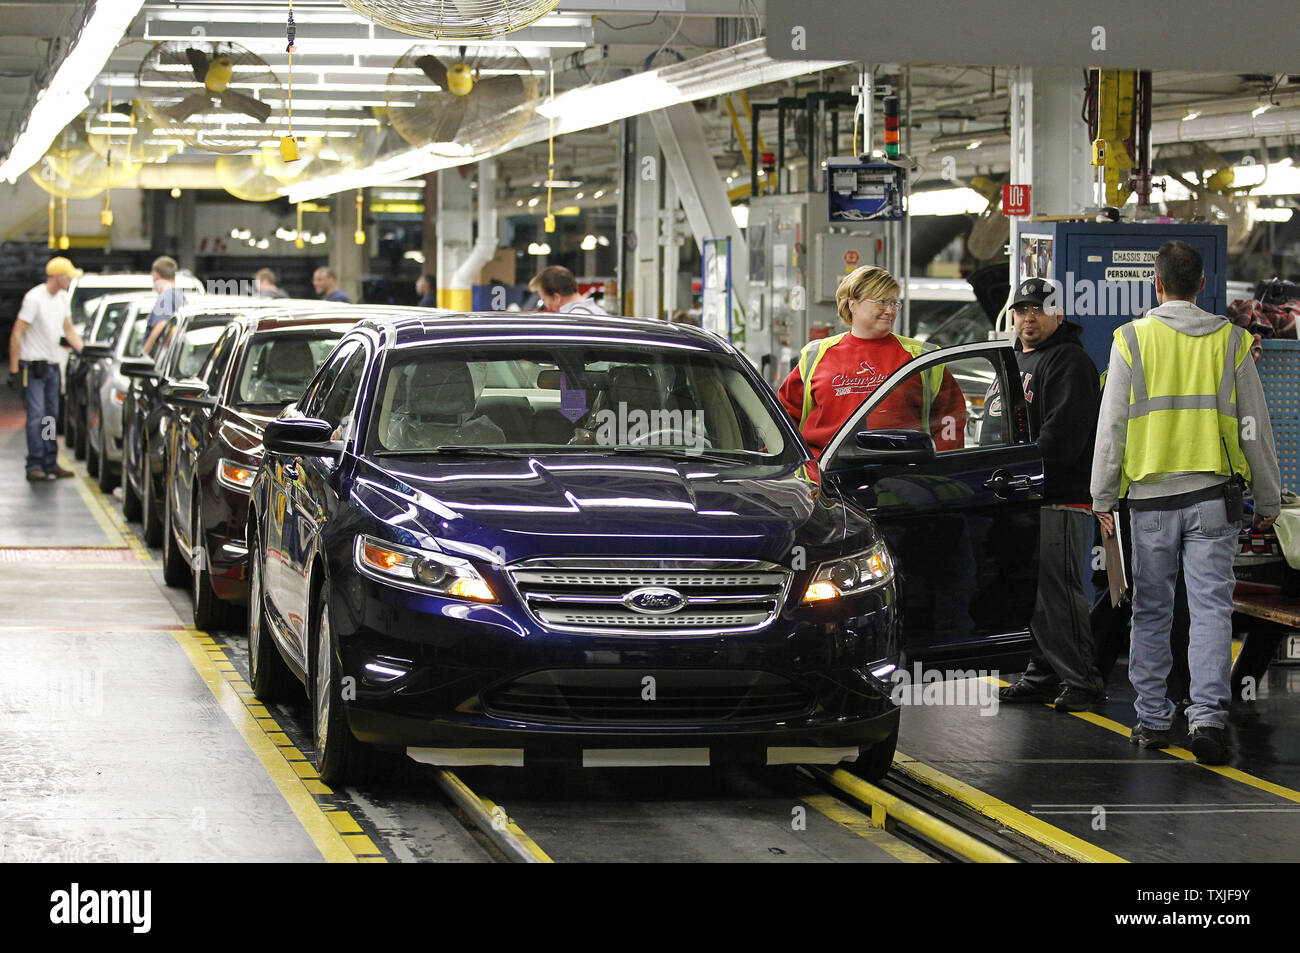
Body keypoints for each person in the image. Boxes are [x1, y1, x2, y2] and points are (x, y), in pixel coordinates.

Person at [1092, 240, 1281, 765]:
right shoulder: (1232, 341)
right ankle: (1207, 721)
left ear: (1156, 284)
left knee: (1151, 611)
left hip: (1149, 502)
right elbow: (1254, 429)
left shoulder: (1130, 340)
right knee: (1211, 611)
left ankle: (1152, 719)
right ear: (1202, 284)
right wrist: (1267, 494)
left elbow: (1112, 428)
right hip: (1213, 501)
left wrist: (1103, 495)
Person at [994, 277, 1107, 711]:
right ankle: (1042, 673)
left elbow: (1061, 440)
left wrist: (1015, 472)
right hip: (1025, 498)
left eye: (1038, 310)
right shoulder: (1017, 360)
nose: (1028, 318)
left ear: (1059, 314)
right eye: (1021, 310)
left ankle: (1084, 680)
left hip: (1060, 498)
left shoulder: (1069, 362)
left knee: (1059, 594)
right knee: (1035, 596)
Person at [777, 265, 965, 460]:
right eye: (881, 302)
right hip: (825, 474)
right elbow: (784, 416)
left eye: (894, 303)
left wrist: (941, 471)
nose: (890, 310)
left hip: (901, 474)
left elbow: (950, 418)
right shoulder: (816, 354)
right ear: (852, 304)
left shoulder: (922, 356)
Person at [7, 257, 85, 481]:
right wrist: (14, 370)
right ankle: (35, 464)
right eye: (68, 277)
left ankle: (50, 462)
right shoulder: (34, 299)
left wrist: (85, 351)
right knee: (36, 416)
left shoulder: (62, 298)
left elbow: (68, 330)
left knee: (50, 417)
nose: (70, 281)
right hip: (33, 368)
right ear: (58, 277)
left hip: (52, 367)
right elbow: (17, 333)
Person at [141, 256, 188, 355]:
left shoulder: (167, 296)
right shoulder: (178, 294)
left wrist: (145, 353)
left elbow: (161, 324)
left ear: (156, 275)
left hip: (158, 356)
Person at [529, 266, 607, 315]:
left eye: (545, 300)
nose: (547, 306)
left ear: (557, 298)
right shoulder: (598, 312)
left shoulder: (571, 321)